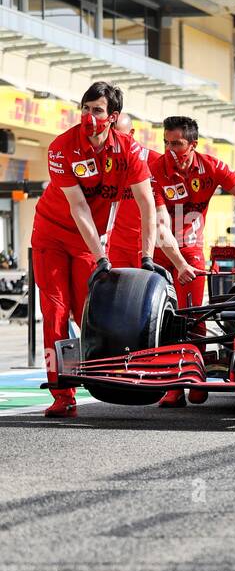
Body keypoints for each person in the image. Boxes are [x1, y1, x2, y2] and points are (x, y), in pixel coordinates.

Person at [32, 81, 158, 418]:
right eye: (85, 109)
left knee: (90, 313)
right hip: (53, 236)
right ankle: (63, 393)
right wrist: (102, 256)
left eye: (97, 110)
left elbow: (148, 205)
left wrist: (147, 257)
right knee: (56, 313)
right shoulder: (61, 147)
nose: (89, 116)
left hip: (87, 241)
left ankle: (107, 376)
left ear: (113, 117)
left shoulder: (130, 150)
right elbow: (78, 207)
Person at [149, 115, 235, 405]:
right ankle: (173, 386)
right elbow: (159, 224)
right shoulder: (154, 169)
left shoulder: (211, 166)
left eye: (177, 144)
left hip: (191, 251)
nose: (170, 150)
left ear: (193, 144)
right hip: (159, 251)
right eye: (166, 143)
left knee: (194, 316)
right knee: (161, 321)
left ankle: (196, 378)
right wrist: (178, 263)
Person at [104, 113, 199, 280]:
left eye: (118, 133)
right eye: (109, 134)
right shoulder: (103, 163)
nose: (113, 141)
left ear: (131, 133)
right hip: (117, 248)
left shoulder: (155, 162)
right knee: (119, 301)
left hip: (152, 248)